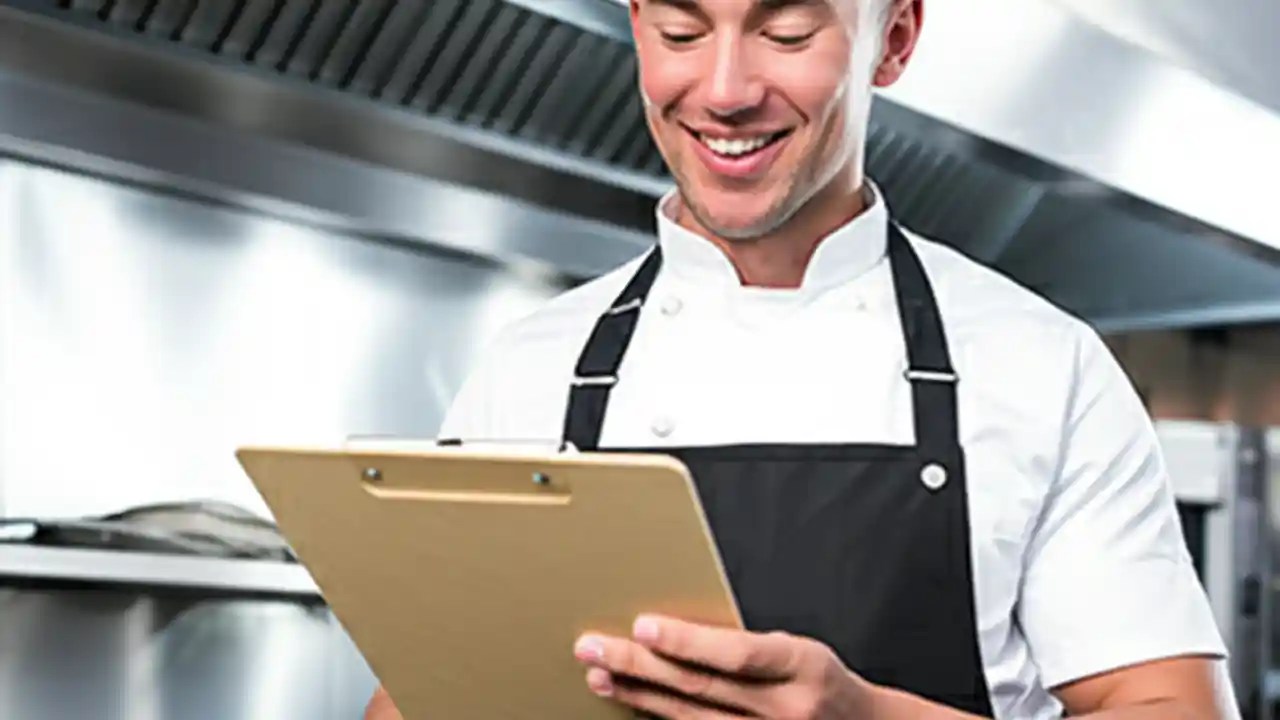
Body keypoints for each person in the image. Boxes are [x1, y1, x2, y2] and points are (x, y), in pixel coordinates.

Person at [366, 0, 1238, 717]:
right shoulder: (529, 370)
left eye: (786, 34)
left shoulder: (1043, 366)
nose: (725, 90)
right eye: (680, 32)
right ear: (635, 27)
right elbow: (415, 701)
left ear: (892, 40)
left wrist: (867, 718)